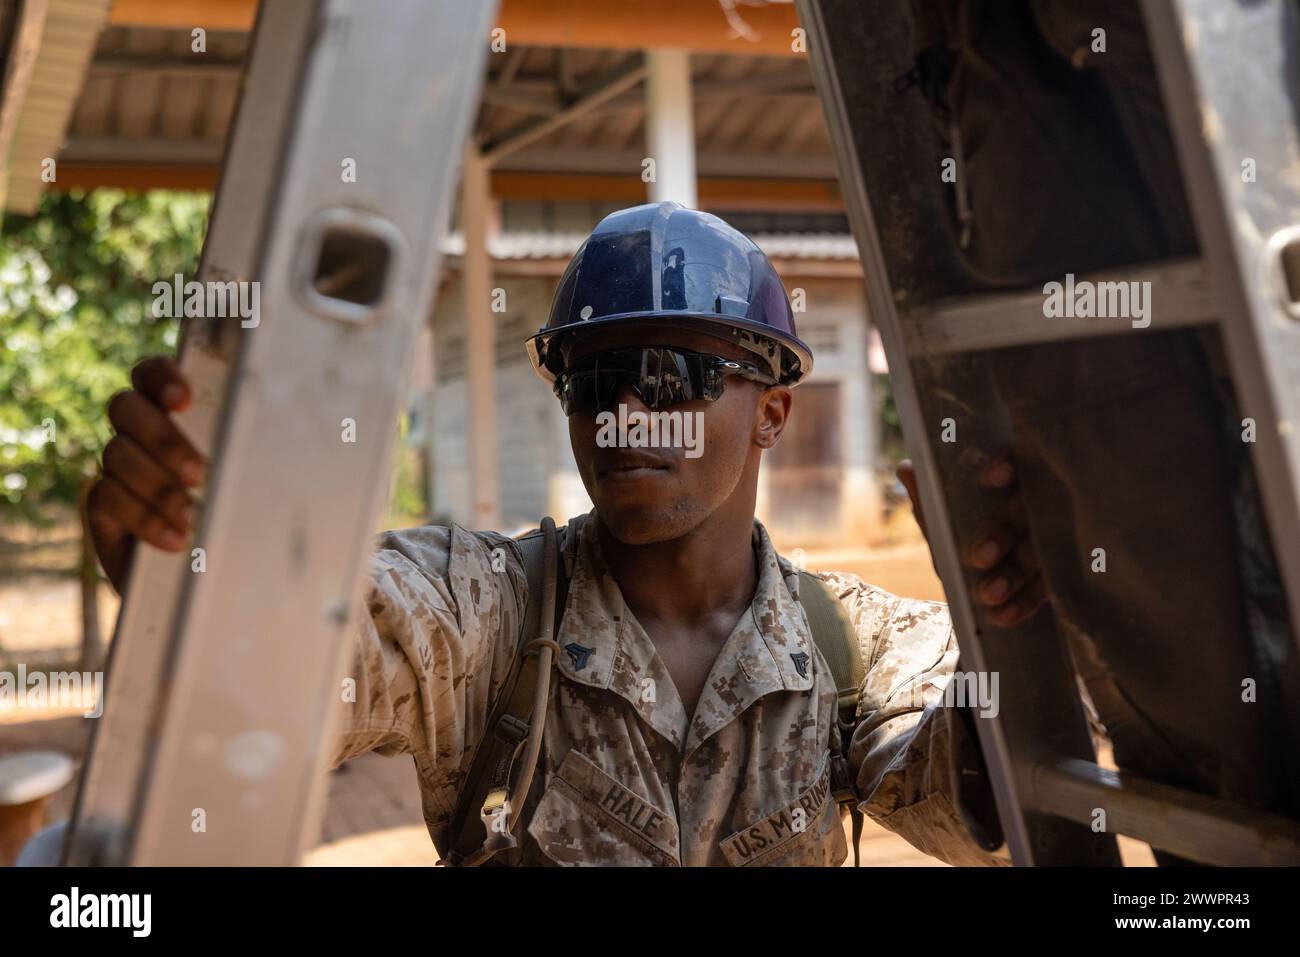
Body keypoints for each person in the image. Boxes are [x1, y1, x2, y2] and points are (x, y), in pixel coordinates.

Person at [87, 201, 1040, 866]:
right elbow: (306, 641)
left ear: (772, 412)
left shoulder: (854, 645)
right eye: (592, 380)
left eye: (669, 375)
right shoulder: (489, 614)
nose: (624, 410)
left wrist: (1023, 616)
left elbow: (972, 804)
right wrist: (193, 553)